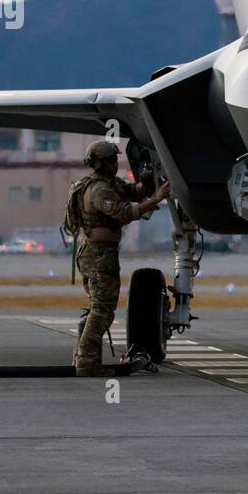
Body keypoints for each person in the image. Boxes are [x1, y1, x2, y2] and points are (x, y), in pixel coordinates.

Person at [68, 140, 169, 377]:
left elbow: (133, 192)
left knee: (97, 307)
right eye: (112, 160)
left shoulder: (110, 184)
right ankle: (86, 363)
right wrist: (156, 199)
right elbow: (124, 213)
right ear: (100, 164)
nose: (116, 163)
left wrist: (147, 181)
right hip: (98, 256)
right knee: (102, 310)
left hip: (100, 254)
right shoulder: (99, 191)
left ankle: (83, 358)